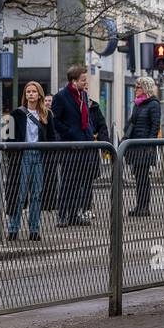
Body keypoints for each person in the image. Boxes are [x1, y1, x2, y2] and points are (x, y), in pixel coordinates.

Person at [8, 81, 53, 241]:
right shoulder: (16, 114)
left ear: (39, 94)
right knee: (18, 195)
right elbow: (10, 136)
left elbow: (52, 138)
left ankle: (34, 229)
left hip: (39, 156)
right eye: (28, 92)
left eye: (34, 91)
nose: (31, 94)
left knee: (37, 194)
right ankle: (13, 229)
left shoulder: (47, 115)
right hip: (22, 156)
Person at [51, 66, 95, 228]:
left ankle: (75, 214)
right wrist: (70, 133)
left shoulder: (83, 94)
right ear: (74, 81)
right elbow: (55, 121)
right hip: (69, 146)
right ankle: (63, 215)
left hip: (84, 144)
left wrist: (88, 133)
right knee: (68, 182)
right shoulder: (61, 97)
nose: (86, 82)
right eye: (83, 80)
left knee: (79, 183)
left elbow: (86, 116)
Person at [124, 76, 161, 217]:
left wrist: (150, 144)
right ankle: (140, 206)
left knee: (143, 177)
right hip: (135, 145)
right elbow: (132, 123)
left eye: (138, 87)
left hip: (145, 146)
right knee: (139, 177)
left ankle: (144, 207)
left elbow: (155, 126)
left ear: (145, 88)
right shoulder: (138, 104)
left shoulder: (153, 104)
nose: (135, 89)